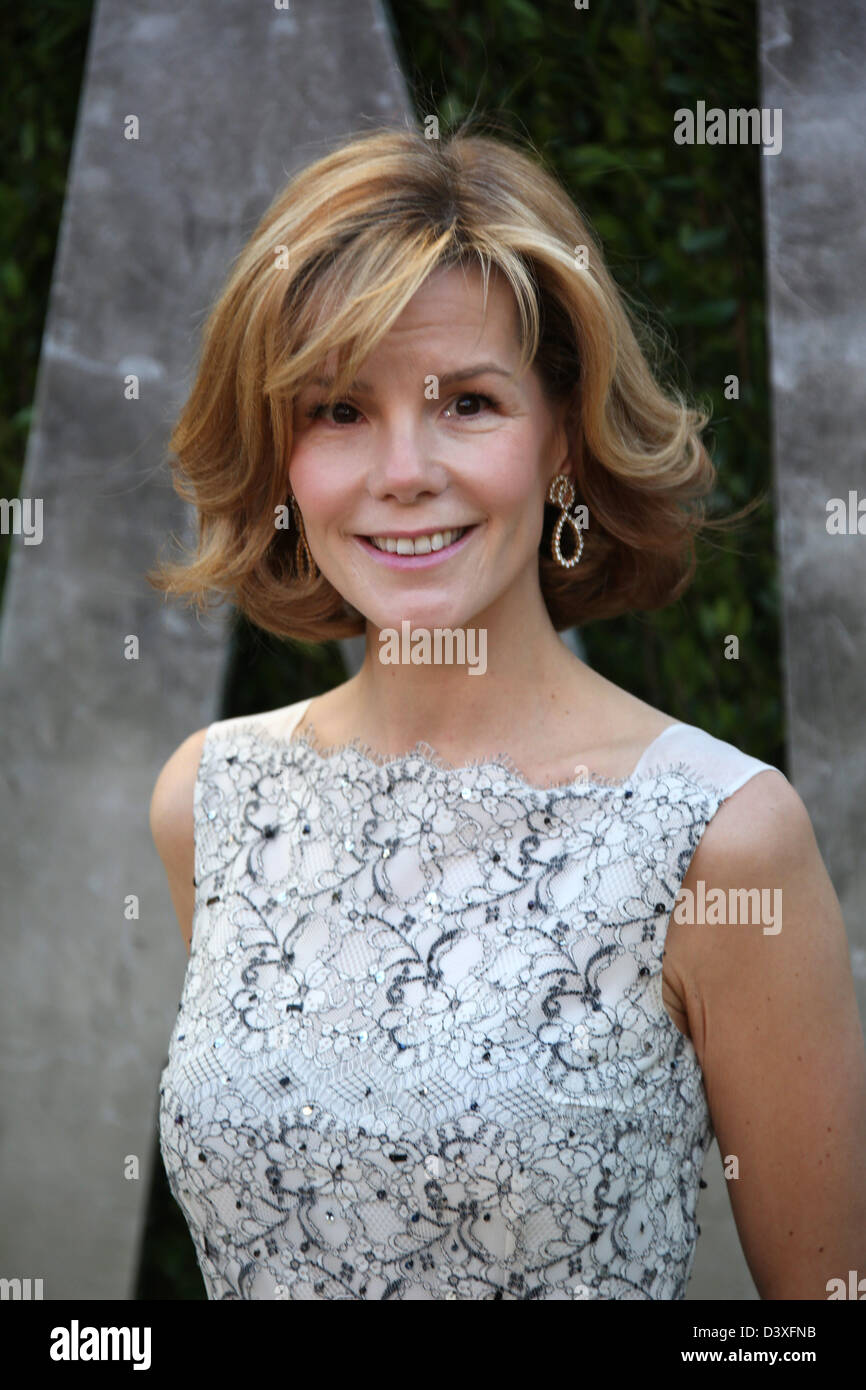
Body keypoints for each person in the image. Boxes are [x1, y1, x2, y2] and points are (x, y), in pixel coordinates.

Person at [147, 122, 866, 1300]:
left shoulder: (719, 837)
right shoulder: (212, 801)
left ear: (564, 440)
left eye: (468, 403)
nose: (401, 470)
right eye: (337, 410)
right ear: (281, 461)